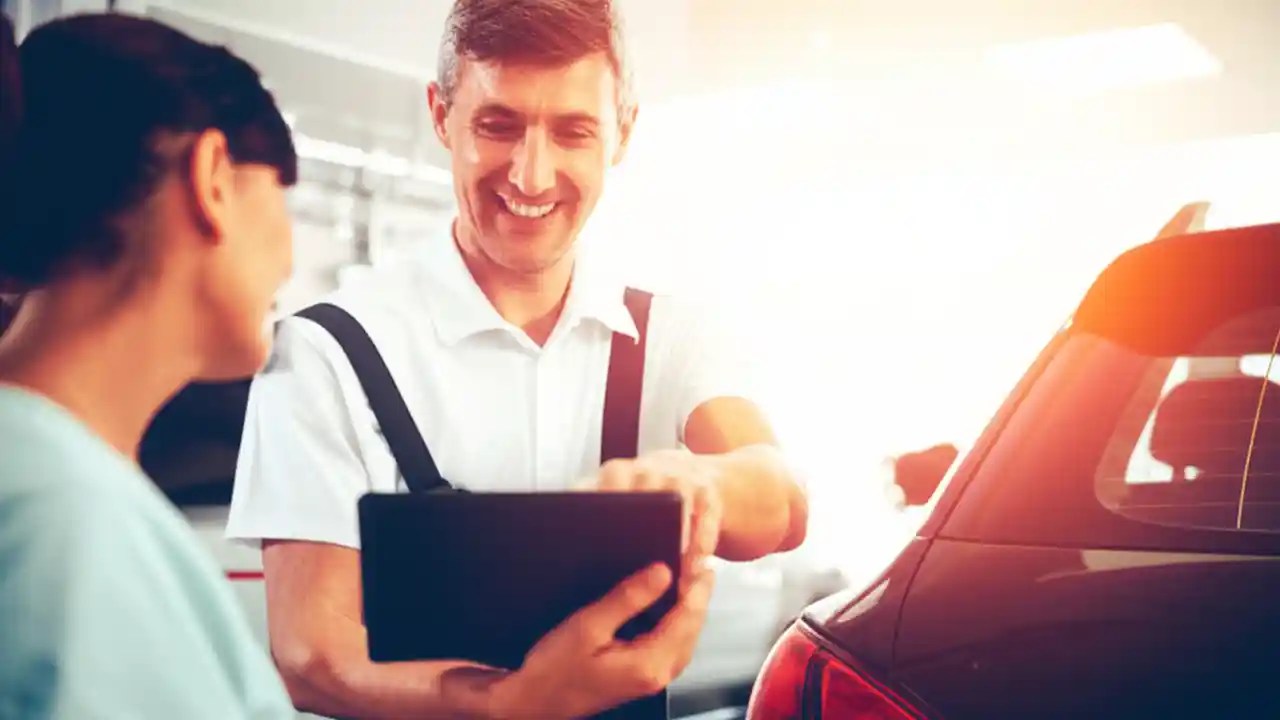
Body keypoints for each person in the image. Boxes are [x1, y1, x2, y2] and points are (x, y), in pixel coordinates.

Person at [228, 0, 810, 717]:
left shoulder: (669, 334)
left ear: (622, 133)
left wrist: (700, 483)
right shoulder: (325, 352)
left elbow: (782, 501)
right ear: (441, 115)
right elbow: (311, 656)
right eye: (498, 125)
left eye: (573, 131)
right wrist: (512, 705)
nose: (532, 176)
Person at [0, 12, 299, 718]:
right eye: (283, 198)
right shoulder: (67, 515)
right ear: (214, 178)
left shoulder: (50, 481)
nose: (289, 256)